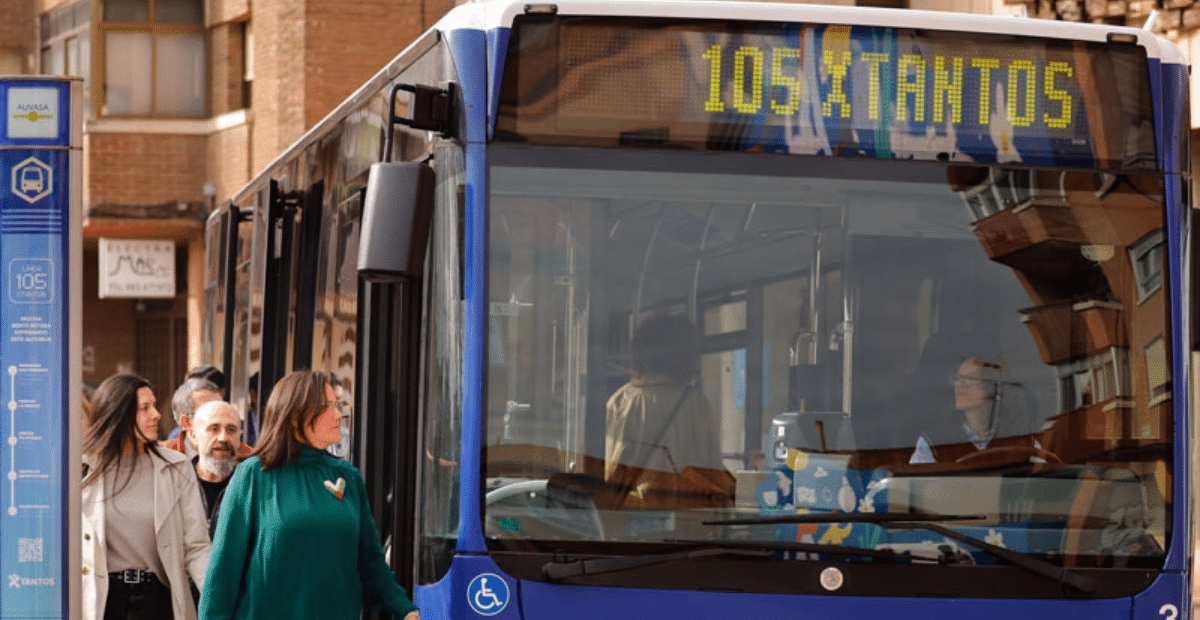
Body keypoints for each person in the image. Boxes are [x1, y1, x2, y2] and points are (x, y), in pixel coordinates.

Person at [200, 370, 418, 620]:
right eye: (328, 407)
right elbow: (223, 572)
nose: (339, 415)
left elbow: (370, 561)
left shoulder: (348, 477)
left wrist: (405, 609)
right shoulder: (253, 475)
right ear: (296, 417)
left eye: (338, 405)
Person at [81, 374, 211, 620]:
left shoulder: (176, 467)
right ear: (119, 414)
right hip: (103, 601)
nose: (156, 415)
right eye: (144, 408)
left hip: (157, 601)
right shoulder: (84, 469)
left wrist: (216, 597)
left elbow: (196, 546)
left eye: (154, 405)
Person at [605, 315, 725, 505]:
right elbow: (714, 470)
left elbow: (614, 474)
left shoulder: (625, 401)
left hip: (639, 516)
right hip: (692, 517)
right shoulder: (699, 404)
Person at [909, 356, 1030, 464]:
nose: (960, 386)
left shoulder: (1018, 435)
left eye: (970, 379)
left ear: (992, 387)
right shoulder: (934, 442)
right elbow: (918, 480)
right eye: (957, 379)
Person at [188, 401, 244, 536]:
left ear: (239, 436)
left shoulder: (249, 485)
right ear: (193, 436)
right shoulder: (177, 483)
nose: (223, 438)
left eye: (231, 429)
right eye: (214, 429)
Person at [163, 379, 222, 457]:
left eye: (222, 409)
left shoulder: (237, 454)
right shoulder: (162, 455)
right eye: (211, 413)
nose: (221, 418)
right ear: (187, 422)